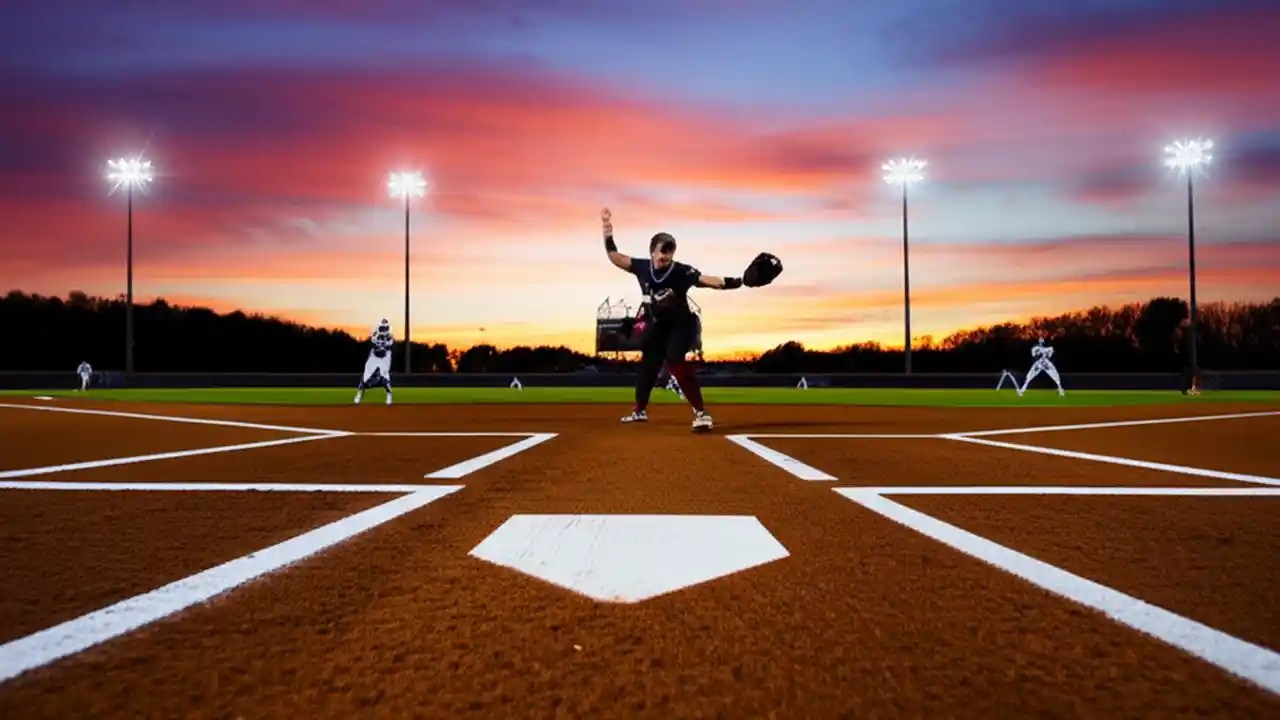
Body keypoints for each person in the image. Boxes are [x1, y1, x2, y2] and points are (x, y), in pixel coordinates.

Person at [600, 207, 780, 432]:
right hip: (657, 325)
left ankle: (701, 413)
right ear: (652, 252)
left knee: (675, 358)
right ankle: (639, 410)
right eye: (662, 252)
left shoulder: (681, 271)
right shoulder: (642, 267)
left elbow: (707, 281)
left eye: (670, 252)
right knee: (648, 366)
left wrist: (738, 281)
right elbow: (614, 257)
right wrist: (607, 228)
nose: (665, 256)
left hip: (681, 324)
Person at [355, 319, 395, 405]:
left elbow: (388, 348)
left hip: (385, 357)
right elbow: (374, 346)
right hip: (374, 356)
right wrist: (380, 346)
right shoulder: (375, 335)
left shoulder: (390, 337)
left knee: (385, 376)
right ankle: (359, 393)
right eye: (382, 328)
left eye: (385, 328)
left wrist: (383, 346)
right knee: (366, 376)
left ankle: (389, 394)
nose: (384, 330)